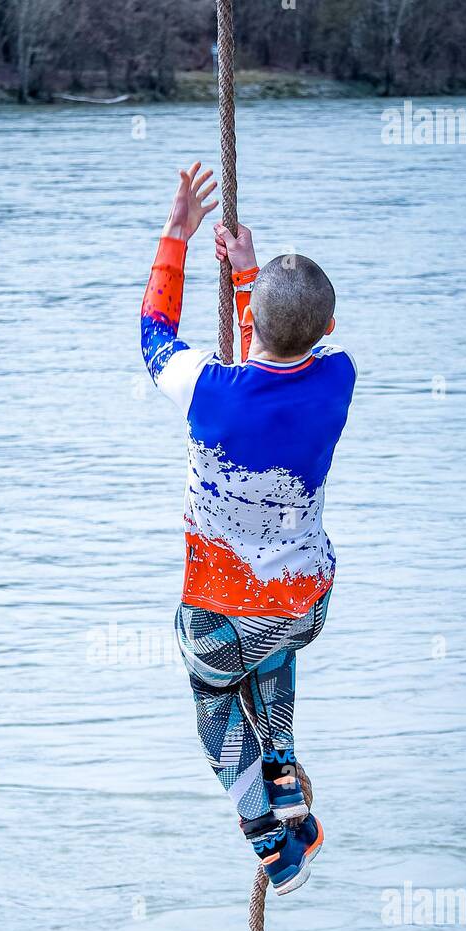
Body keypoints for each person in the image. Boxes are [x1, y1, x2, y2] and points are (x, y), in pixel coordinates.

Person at [141, 162, 357, 894]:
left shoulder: (207, 387)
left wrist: (177, 234)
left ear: (250, 323)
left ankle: (272, 842)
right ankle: (286, 782)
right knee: (269, 650)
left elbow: (153, 334)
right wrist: (250, 275)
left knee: (213, 708)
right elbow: (282, 341)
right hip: (305, 604)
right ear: (328, 329)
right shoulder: (340, 376)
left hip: (221, 617)